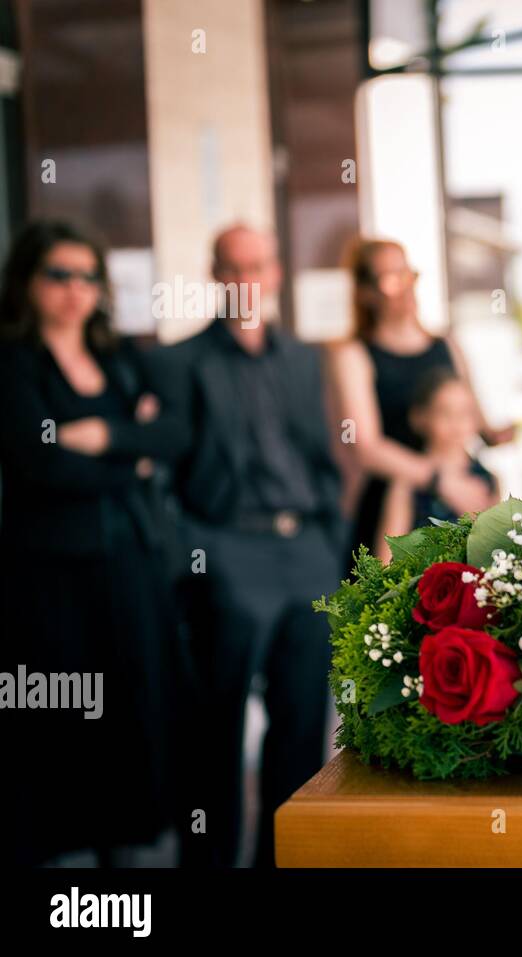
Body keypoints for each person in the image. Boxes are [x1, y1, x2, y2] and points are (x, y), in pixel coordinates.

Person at [149, 224, 343, 868]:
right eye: (233, 268)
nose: (246, 281)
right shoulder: (179, 362)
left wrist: (328, 542)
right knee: (215, 729)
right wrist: (195, 553)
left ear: (276, 273)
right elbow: (167, 475)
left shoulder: (302, 358)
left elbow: (320, 456)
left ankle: (280, 860)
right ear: (215, 276)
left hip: (304, 553)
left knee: (300, 727)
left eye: (257, 265)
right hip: (226, 553)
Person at [0, 220, 186, 866]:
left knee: (133, 712)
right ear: (27, 282)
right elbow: (39, 461)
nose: (75, 289)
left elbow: (170, 436)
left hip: (130, 560)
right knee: (63, 716)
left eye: (87, 276)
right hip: (50, 572)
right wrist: (125, 448)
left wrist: (99, 436)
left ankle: (124, 859)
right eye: (59, 274)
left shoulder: (118, 357)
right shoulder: (13, 362)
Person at [326, 238, 510, 568]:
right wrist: (443, 482)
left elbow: (478, 421)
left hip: (461, 486)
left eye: (408, 275)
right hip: (396, 499)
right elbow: (367, 447)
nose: (406, 287)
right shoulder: (354, 354)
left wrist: (497, 434)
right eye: (391, 279)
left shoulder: (446, 345)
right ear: (367, 293)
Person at [375, 369, 499, 563]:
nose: (456, 423)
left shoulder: (488, 478)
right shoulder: (408, 482)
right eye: (445, 412)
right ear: (419, 418)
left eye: (465, 413)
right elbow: (386, 557)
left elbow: (496, 546)